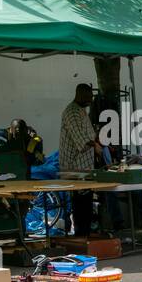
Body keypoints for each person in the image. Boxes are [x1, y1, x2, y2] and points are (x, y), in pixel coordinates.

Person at [59, 83, 99, 236]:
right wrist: (96, 146)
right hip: (74, 168)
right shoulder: (72, 112)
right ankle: (81, 236)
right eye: (88, 98)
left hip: (84, 168)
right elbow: (80, 139)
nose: (90, 101)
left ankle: (86, 233)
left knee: (86, 202)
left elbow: (89, 134)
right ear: (80, 95)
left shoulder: (81, 110)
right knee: (81, 203)